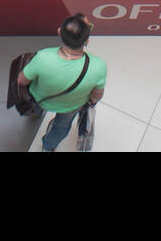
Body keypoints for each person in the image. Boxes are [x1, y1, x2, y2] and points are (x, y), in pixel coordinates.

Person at [16, 14, 107, 152]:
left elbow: (21, 80)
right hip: (71, 107)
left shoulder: (43, 57)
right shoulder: (98, 66)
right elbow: (97, 95)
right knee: (61, 127)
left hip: (40, 99)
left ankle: (35, 112)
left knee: (37, 106)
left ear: (59, 31)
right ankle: (48, 147)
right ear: (87, 40)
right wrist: (91, 102)